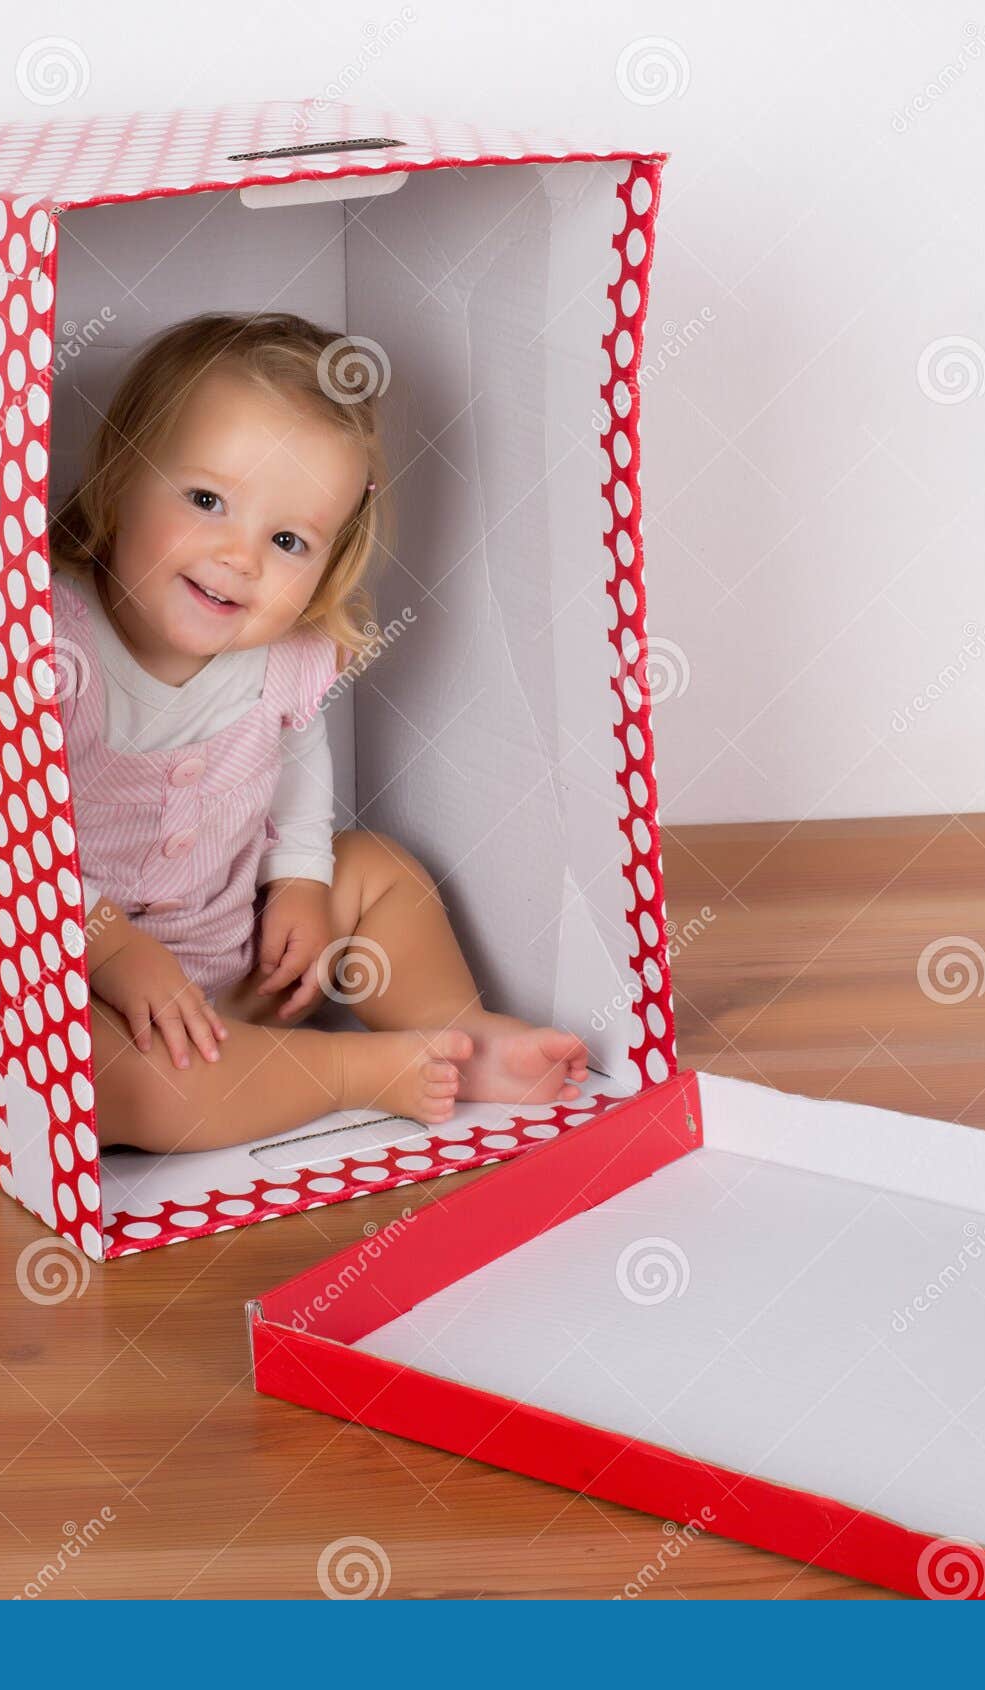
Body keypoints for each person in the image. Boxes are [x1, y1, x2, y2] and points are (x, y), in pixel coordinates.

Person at [45, 311, 590, 1153]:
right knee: (98, 1086)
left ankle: (459, 1036)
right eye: (206, 500)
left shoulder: (284, 657)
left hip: (243, 968)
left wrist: (300, 878)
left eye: (289, 540)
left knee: (377, 870)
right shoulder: (49, 644)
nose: (241, 556)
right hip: (92, 992)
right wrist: (108, 947)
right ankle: (357, 1075)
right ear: (119, 478)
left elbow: (296, 760)